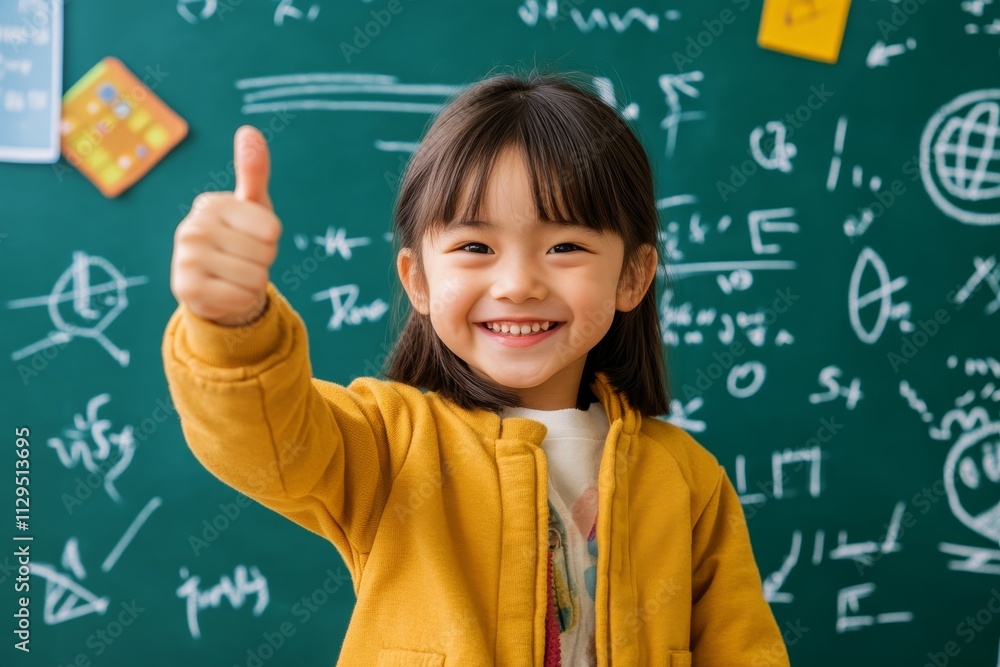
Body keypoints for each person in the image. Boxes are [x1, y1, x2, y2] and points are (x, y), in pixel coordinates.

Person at [163, 71, 791, 666]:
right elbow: (264, 442)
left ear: (632, 275)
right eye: (474, 247)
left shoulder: (686, 479)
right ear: (418, 279)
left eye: (565, 246)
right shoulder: (389, 443)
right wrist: (231, 324)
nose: (517, 284)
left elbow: (742, 648)